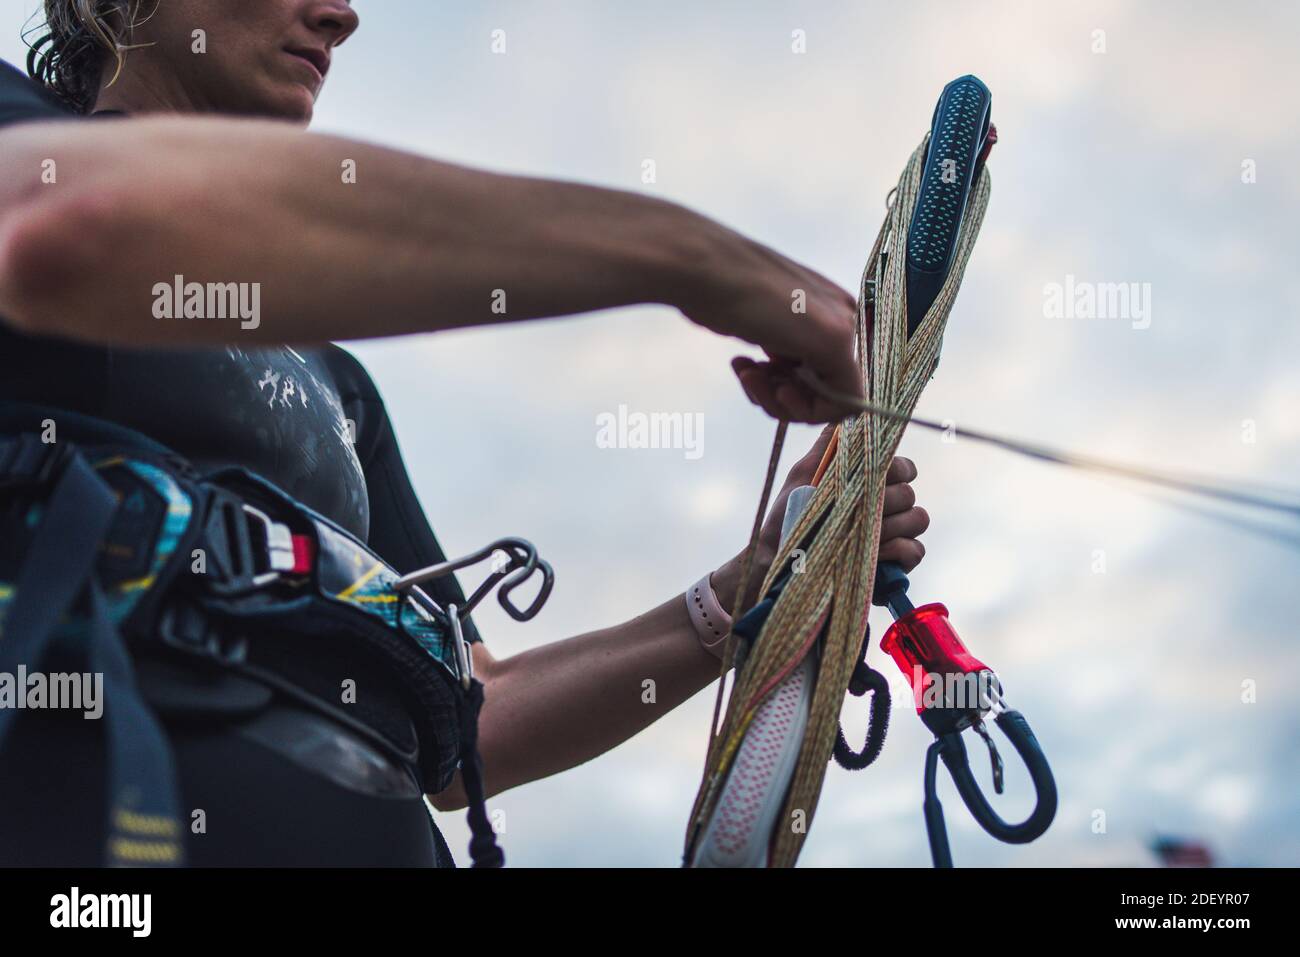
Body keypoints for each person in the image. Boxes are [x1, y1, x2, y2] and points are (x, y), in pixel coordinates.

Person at [0, 0, 930, 866]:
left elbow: (472, 723)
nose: (342, 13)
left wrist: (739, 595)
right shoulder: (23, 147)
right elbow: (71, 220)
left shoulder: (336, 379)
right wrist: (696, 260)